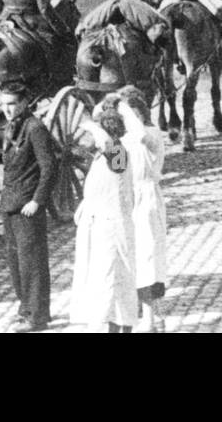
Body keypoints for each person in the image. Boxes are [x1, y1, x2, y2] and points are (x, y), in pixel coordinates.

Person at [71, 100, 139, 333]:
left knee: (115, 282)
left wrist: (91, 125)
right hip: (102, 228)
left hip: (114, 229)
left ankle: (124, 327)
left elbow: (106, 142)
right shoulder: (103, 157)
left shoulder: (118, 153)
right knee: (107, 283)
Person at [0, 87, 57, 332]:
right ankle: (26, 308)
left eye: (11, 103)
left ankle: (37, 316)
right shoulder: (12, 127)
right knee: (16, 262)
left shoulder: (35, 128)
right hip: (10, 205)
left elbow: (49, 167)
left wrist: (38, 201)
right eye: (3, 105)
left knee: (32, 262)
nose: (7, 109)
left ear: (23, 103)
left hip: (26, 208)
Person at [116, 86, 168, 333]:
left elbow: (141, 136)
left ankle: (153, 316)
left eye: (134, 115)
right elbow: (114, 170)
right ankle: (135, 310)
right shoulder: (122, 141)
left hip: (147, 199)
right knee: (130, 258)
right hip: (127, 199)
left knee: (149, 257)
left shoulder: (152, 134)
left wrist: (125, 109)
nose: (129, 121)